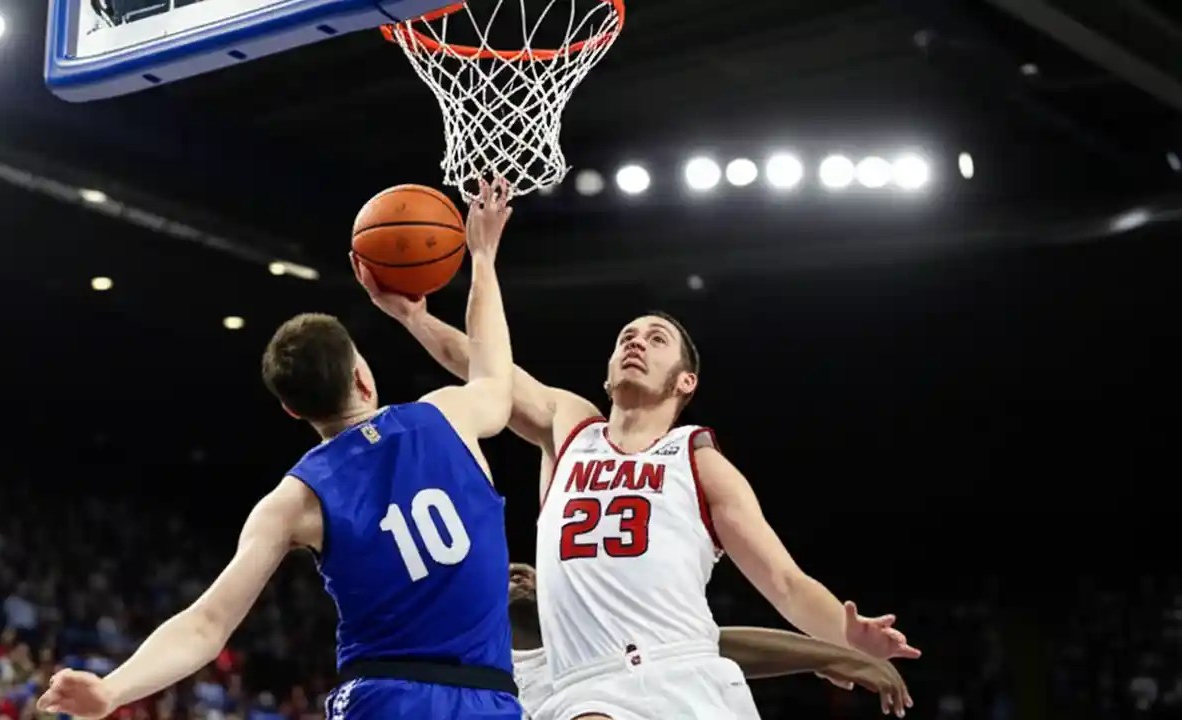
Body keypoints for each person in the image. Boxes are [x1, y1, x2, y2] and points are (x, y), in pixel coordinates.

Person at [37, 179, 521, 720]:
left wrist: (112, 691)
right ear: (363, 377)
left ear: (293, 411)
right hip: (488, 696)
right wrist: (479, 257)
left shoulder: (294, 500)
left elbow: (207, 624)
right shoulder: (446, 418)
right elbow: (493, 368)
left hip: (384, 700)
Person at [354, 276, 922, 719]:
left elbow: (784, 582)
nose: (636, 343)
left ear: (685, 381)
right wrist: (414, 315)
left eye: (656, 339)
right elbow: (486, 371)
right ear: (605, 375)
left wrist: (845, 636)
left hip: (690, 675)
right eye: (627, 336)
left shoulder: (700, 462)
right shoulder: (571, 429)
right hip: (589, 684)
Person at [507, 563, 912, 720]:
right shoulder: (476, 674)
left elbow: (706, 647)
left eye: (526, 570)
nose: (519, 577)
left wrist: (834, 655)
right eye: (505, 574)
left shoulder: (606, 624)